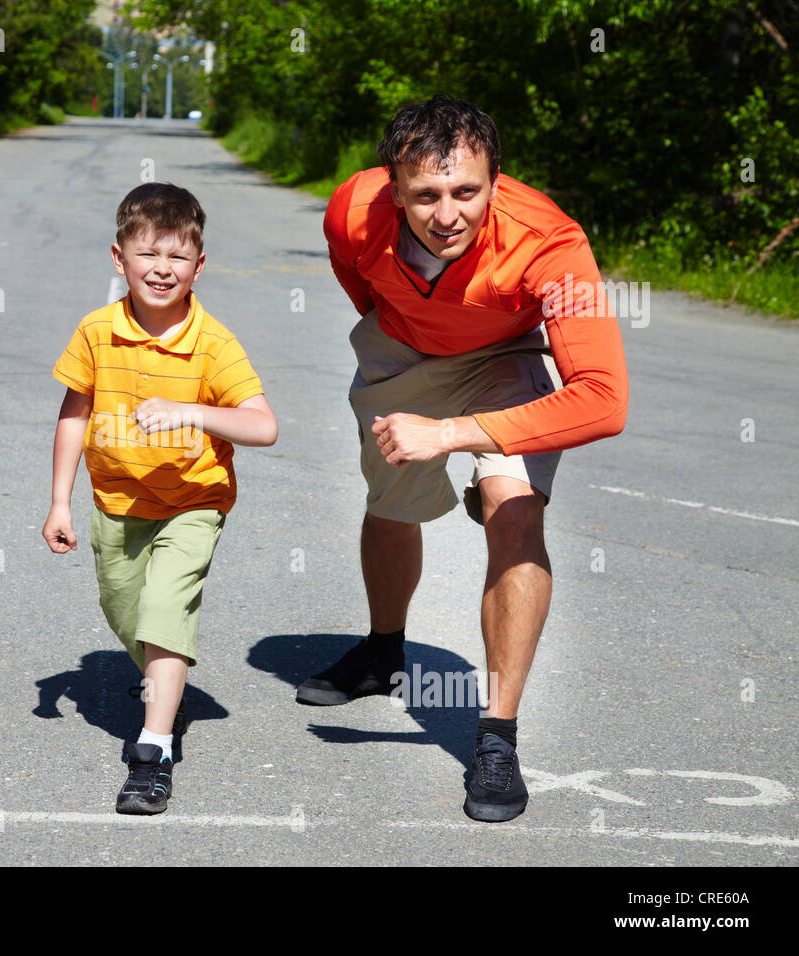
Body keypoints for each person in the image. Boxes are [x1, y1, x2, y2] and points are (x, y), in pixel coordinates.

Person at [307, 93, 628, 822]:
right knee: (390, 507)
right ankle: (384, 653)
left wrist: (451, 433)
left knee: (512, 514)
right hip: (404, 349)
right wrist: (409, 353)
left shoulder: (550, 243)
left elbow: (604, 399)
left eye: (466, 192)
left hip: (504, 358)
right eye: (424, 194)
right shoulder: (351, 210)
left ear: (497, 180)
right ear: (393, 188)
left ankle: (496, 736)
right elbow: (360, 282)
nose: (446, 213)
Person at [43, 183, 277, 814]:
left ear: (199, 266)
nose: (161, 269)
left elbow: (263, 426)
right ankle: (160, 679)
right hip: (116, 502)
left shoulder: (212, 343)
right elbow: (74, 413)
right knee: (126, 613)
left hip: (193, 502)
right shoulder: (96, 332)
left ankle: (152, 750)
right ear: (119, 258)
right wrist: (60, 501)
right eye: (147, 254)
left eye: (177, 257)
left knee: (165, 611)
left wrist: (193, 412)